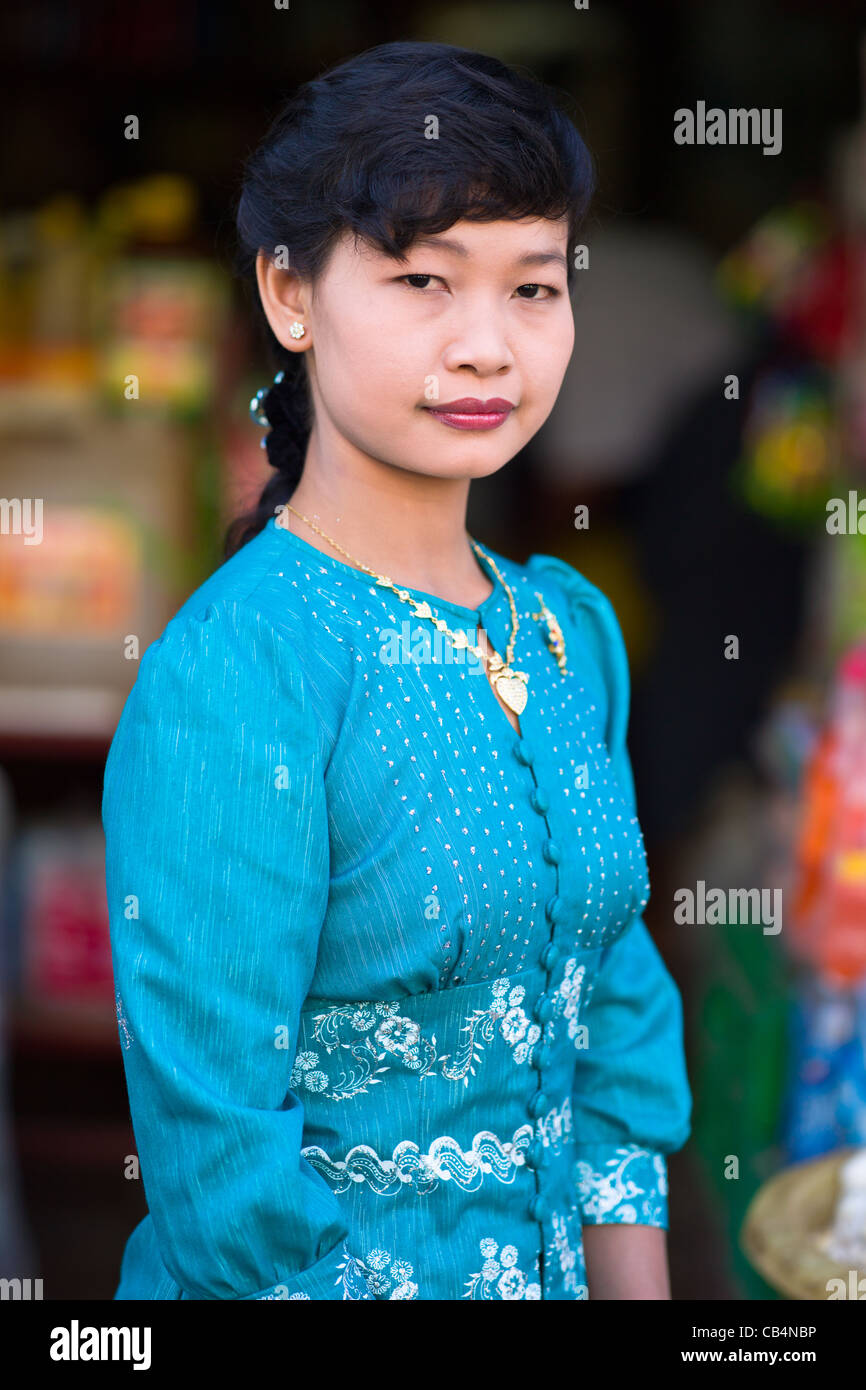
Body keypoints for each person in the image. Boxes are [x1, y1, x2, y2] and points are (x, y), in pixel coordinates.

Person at [102, 39, 691, 1302]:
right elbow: (221, 1175)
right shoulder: (239, 671)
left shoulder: (566, 632)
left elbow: (615, 1033)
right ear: (289, 295)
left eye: (532, 288)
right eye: (424, 279)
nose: (488, 347)